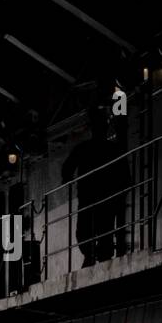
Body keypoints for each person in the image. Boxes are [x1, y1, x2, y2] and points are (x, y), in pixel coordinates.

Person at [62, 106, 129, 266]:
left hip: (90, 197)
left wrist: (67, 178)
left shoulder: (83, 149)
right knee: (101, 229)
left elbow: (67, 167)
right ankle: (99, 255)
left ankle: (92, 255)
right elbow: (125, 173)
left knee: (86, 231)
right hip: (105, 197)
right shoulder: (113, 149)